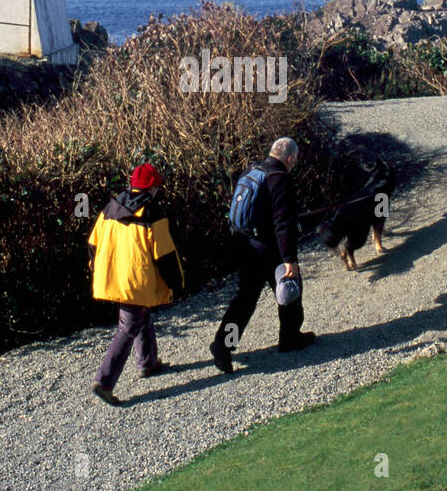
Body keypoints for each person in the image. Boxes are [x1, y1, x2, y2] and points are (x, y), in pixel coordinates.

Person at [210, 137, 316, 372]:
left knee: (246, 299)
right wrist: (290, 260)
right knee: (291, 285)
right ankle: (290, 338)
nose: (294, 165)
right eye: (294, 161)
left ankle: (223, 346)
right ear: (289, 158)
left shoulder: (253, 169)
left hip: (243, 243)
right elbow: (283, 223)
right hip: (267, 247)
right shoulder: (280, 179)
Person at [88, 162, 185, 406]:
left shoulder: (110, 206)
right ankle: (104, 381)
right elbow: (165, 255)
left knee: (140, 313)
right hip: (136, 279)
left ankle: (148, 362)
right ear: (153, 187)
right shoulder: (153, 212)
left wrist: (97, 270)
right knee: (128, 325)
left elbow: (92, 244)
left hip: (111, 276)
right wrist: (177, 283)